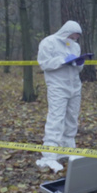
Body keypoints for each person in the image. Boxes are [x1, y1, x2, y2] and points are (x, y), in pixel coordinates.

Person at [36, 21, 91, 172]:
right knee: (56, 118)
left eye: (77, 37)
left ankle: (68, 148)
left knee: (72, 117)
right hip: (57, 86)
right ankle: (49, 154)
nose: (74, 39)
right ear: (67, 31)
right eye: (73, 35)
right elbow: (44, 63)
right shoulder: (48, 42)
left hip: (74, 86)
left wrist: (78, 62)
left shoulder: (75, 46)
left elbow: (78, 69)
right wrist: (63, 61)